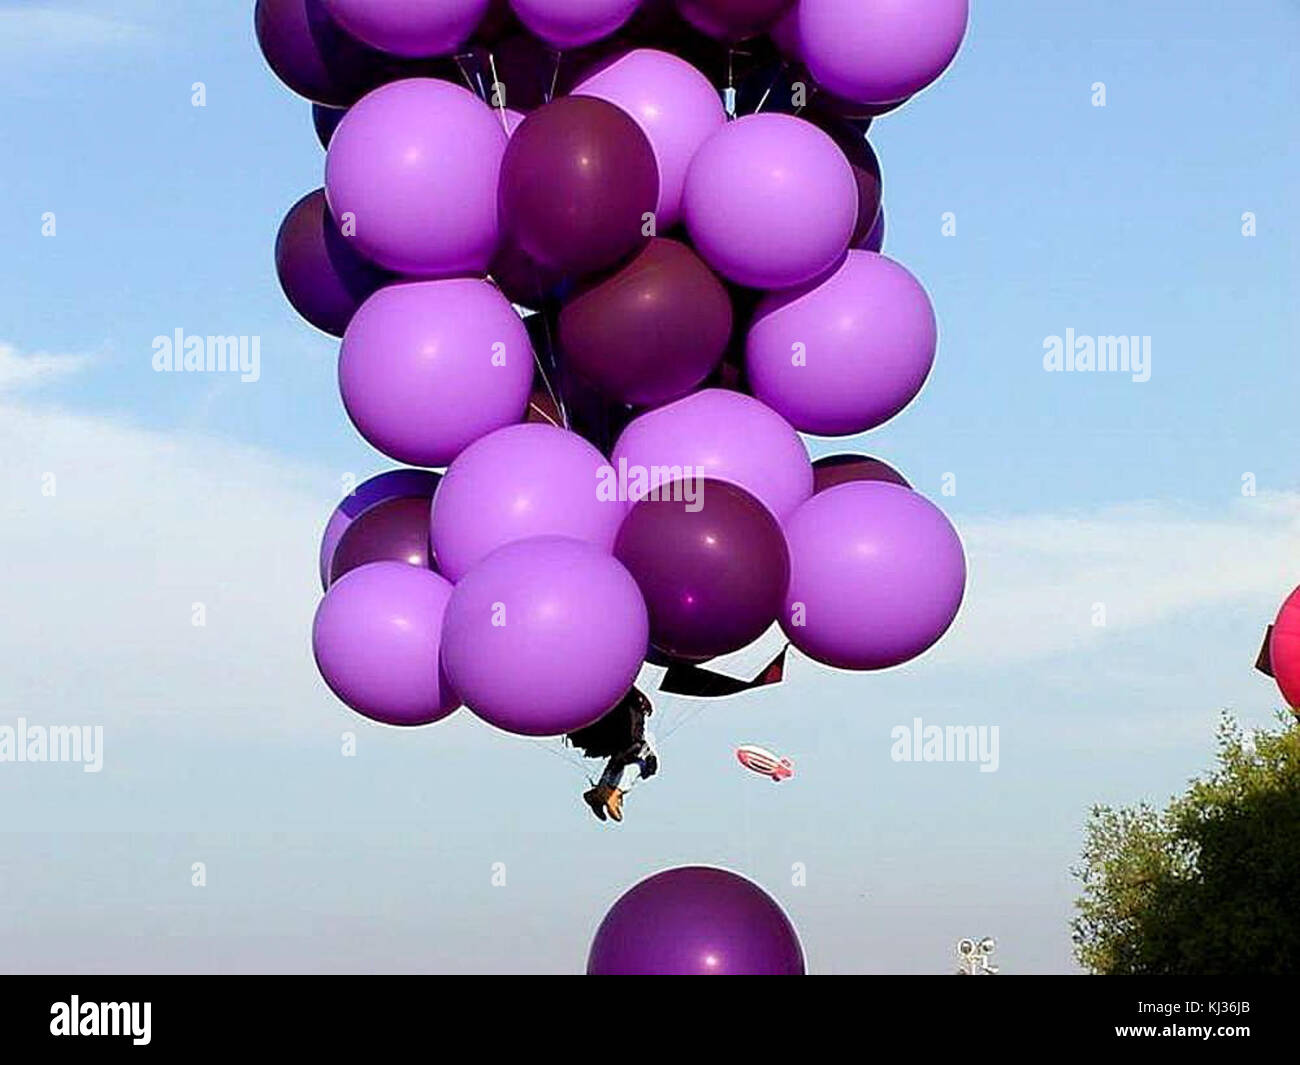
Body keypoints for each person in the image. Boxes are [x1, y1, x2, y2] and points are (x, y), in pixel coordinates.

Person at [566, 686, 657, 823]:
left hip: (586, 727)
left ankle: (601, 791)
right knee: (644, 756)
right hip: (608, 719)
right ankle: (614, 791)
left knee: (624, 753)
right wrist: (635, 694)